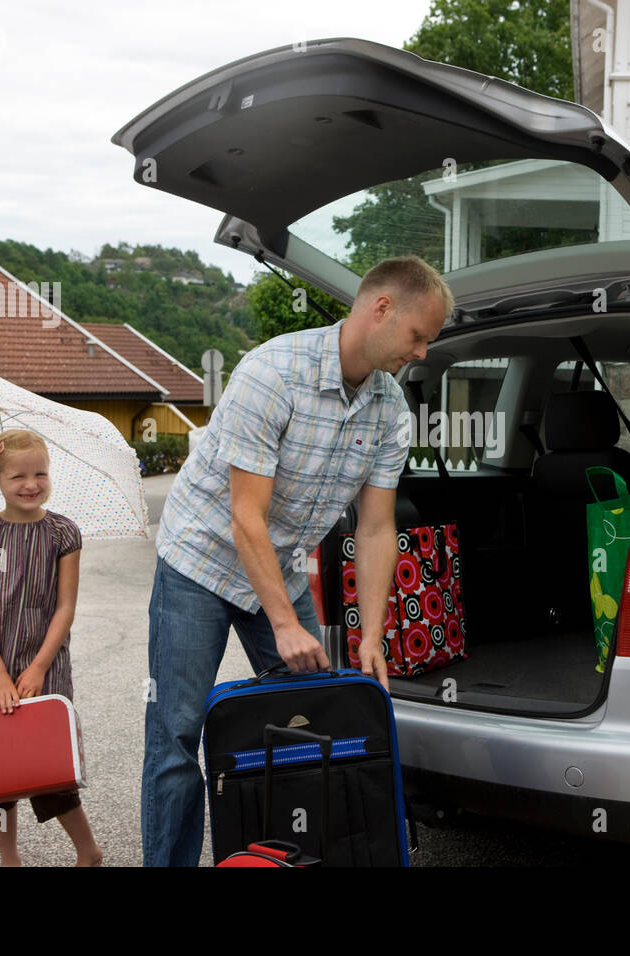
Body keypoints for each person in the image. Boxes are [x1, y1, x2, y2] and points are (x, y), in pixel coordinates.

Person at [142, 254, 453, 867]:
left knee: (316, 725)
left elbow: (377, 526)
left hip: (274, 561)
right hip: (200, 559)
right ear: (381, 309)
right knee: (176, 736)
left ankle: (298, 857)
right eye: (419, 337)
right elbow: (243, 518)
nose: (421, 353)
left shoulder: (391, 410)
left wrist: (371, 632)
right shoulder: (272, 373)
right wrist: (284, 623)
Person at [0, 430, 102, 866]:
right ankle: (8, 858)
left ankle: (88, 851)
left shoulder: (63, 532)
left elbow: (65, 606)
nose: (31, 484)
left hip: (42, 662)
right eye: (18, 476)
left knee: (49, 766)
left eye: (40, 474)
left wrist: (38, 667)